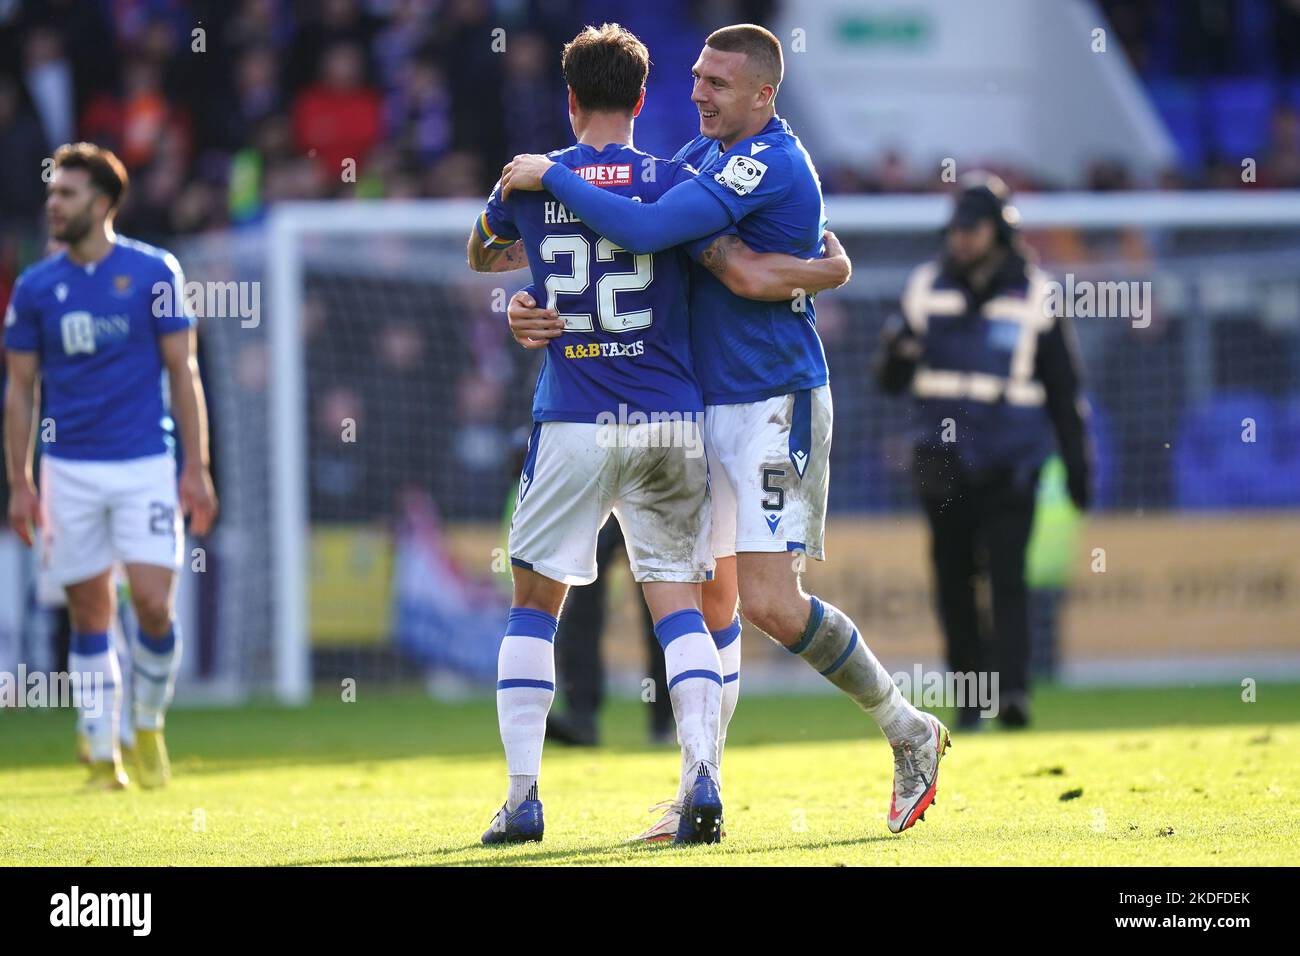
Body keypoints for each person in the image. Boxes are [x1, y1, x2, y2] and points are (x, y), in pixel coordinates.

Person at [501, 23, 949, 838]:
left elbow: (674, 246)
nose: (698, 92)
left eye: (717, 82)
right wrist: (534, 306)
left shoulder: (769, 160)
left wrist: (554, 180)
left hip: (775, 402)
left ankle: (909, 730)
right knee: (711, 604)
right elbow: (641, 260)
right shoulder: (699, 161)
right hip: (702, 411)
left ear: (763, 93)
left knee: (775, 604)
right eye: (697, 76)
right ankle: (698, 791)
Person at [4, 142, 217, 790]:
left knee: (154, 606)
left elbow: (184, 373)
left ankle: (146, 721)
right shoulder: (36, 285)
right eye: (51, 193)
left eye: (65, 194)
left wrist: (197, 465)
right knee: (90, 612)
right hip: (67, 470)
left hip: (146, 464)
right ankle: (103, 752)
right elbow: (20, 390)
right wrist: (20, 481)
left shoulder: (155, 272)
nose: (53, 204)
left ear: (100, 203)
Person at [874, 173, 1093, 730]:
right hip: (940, 460)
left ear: (997, 231)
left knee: (1008, 577)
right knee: (952, 580)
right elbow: (890, 379)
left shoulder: (1038, 293)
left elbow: (1064, 391)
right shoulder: (926, 285)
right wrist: (896, 353)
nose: (961, 240)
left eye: (971, 230)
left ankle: (1014, 694)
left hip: (1010, 457)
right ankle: (970, 699)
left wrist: (1077, 465)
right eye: (956, 230)